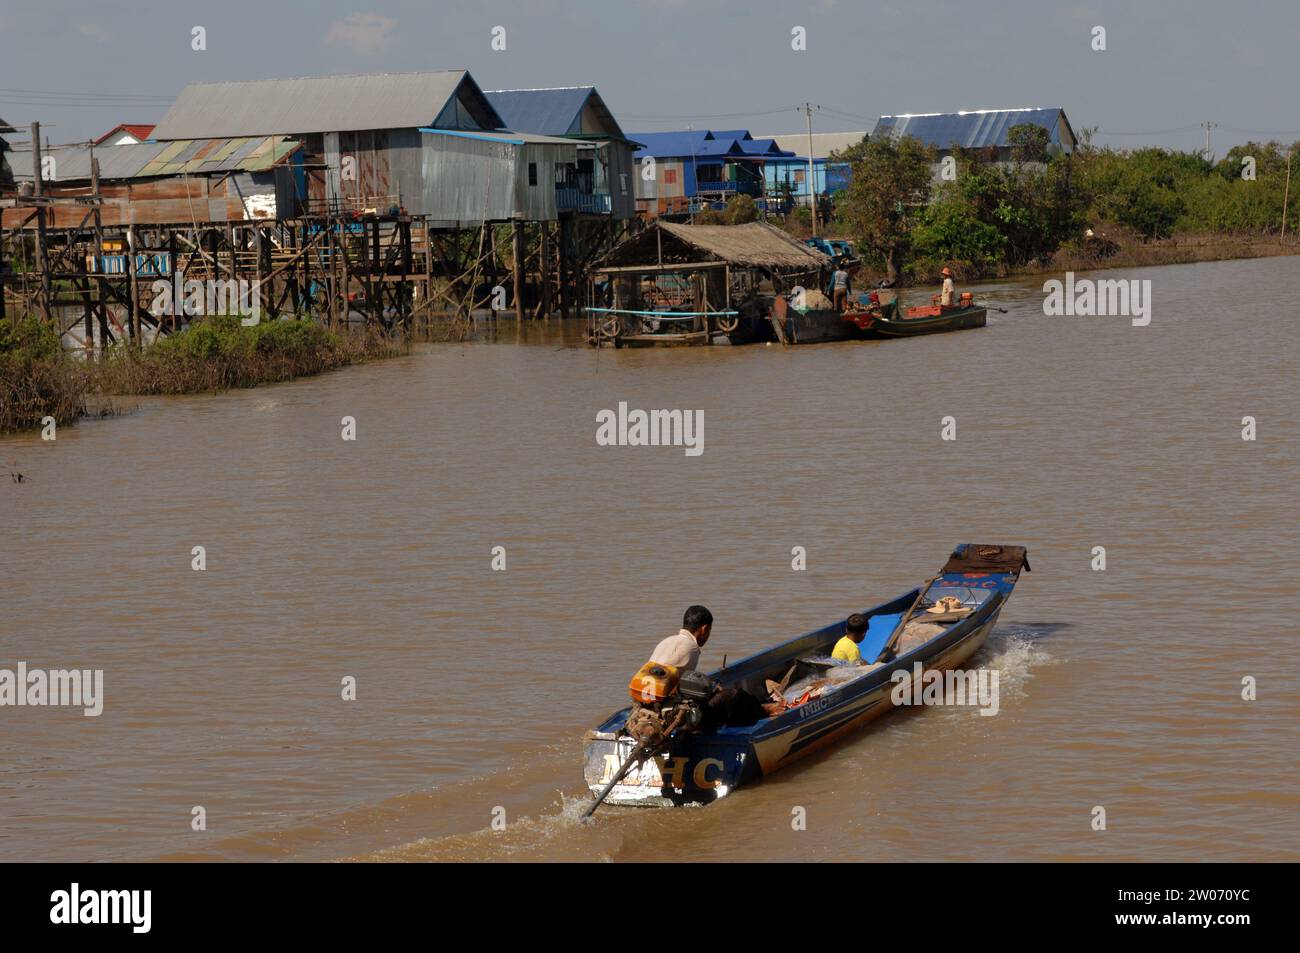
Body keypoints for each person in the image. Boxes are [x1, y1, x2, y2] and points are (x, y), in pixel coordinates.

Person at [648, 606, 764, 728]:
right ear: (704, 629)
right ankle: (765, 711)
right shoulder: (691, 647)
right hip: (670, 712)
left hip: (649, 705)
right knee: (734, 694)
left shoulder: (666, 641)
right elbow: (682, 690)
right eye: (709, 631)